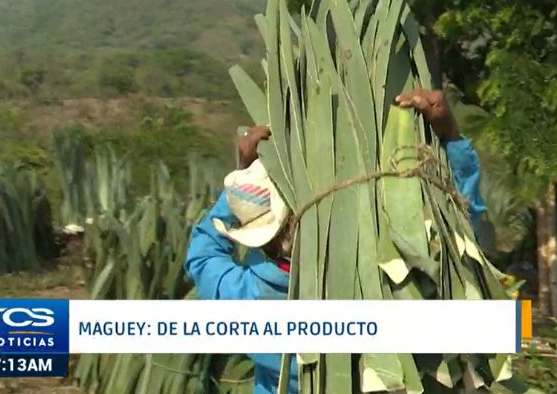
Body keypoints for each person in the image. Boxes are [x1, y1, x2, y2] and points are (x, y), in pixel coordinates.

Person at [184, 89, 486, 394]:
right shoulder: (382, 284)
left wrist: (243, 184)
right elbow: (458, 234)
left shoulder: (242, 299)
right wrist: (451, 136)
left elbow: (203, 251)